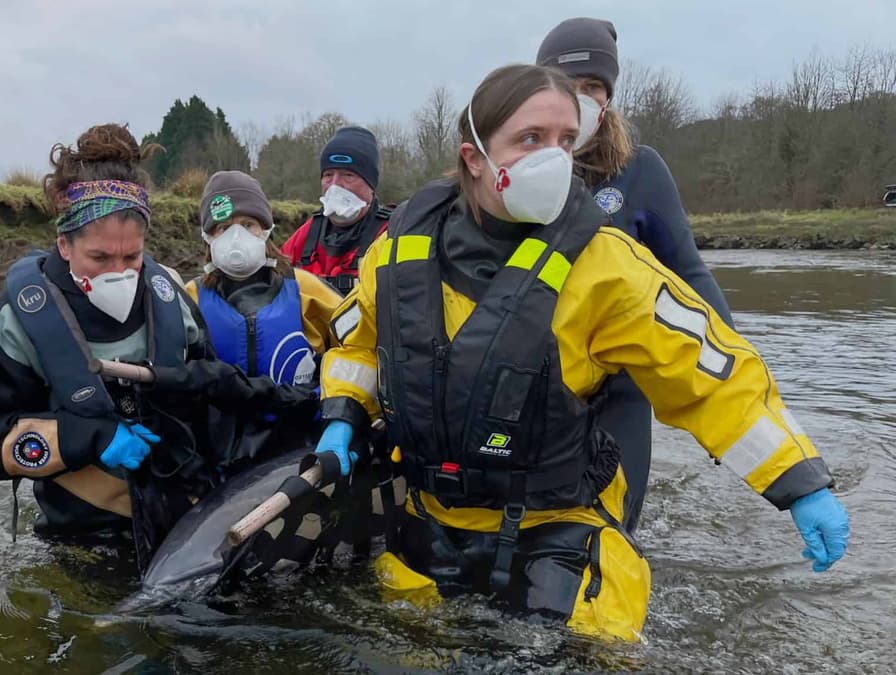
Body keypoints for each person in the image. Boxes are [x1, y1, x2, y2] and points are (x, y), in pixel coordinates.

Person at [312, 65, 850, 642]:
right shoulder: (395, 252)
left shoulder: (605, 265)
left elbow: (711, 375)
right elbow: (357, 344)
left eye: (566, 140)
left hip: (555, 528)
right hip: (427, 524)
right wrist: (342, 415)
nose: (556, 158)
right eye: (531, 140)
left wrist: (801, 483)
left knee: (589, 652)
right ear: (475, 159)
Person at [0, 124, 318, 559]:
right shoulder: (8, 325)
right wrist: (87, 436)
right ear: (64, 244)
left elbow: (210, 398)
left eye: (132, 257)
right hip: (83, 535)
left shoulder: (172, 299)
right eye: (100, 258)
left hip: (183, 521)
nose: (118, 272)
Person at [536, 17, 736, 533]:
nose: (578, 99)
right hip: (530, 382)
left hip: (619, 387)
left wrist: (729, 387)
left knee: (614, 535)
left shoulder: (641, 170)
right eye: (564, 86)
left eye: (592, 88)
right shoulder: (511, 169)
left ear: (608, 97)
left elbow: (689, 272)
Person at [185, 170, 341, 460]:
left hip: (303, 446)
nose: (236, 237)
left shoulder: (306, 290)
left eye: (248, 224)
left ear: (266, 229)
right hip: (223, 456)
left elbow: (356, 347)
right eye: (223, 228)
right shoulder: (190, 298)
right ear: (208, 236)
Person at [280, 126, 393, 294]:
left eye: (348, 175)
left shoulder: (390, 234)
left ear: (371, 185)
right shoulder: (307, 235)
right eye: (328, 175)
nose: (335, 185)